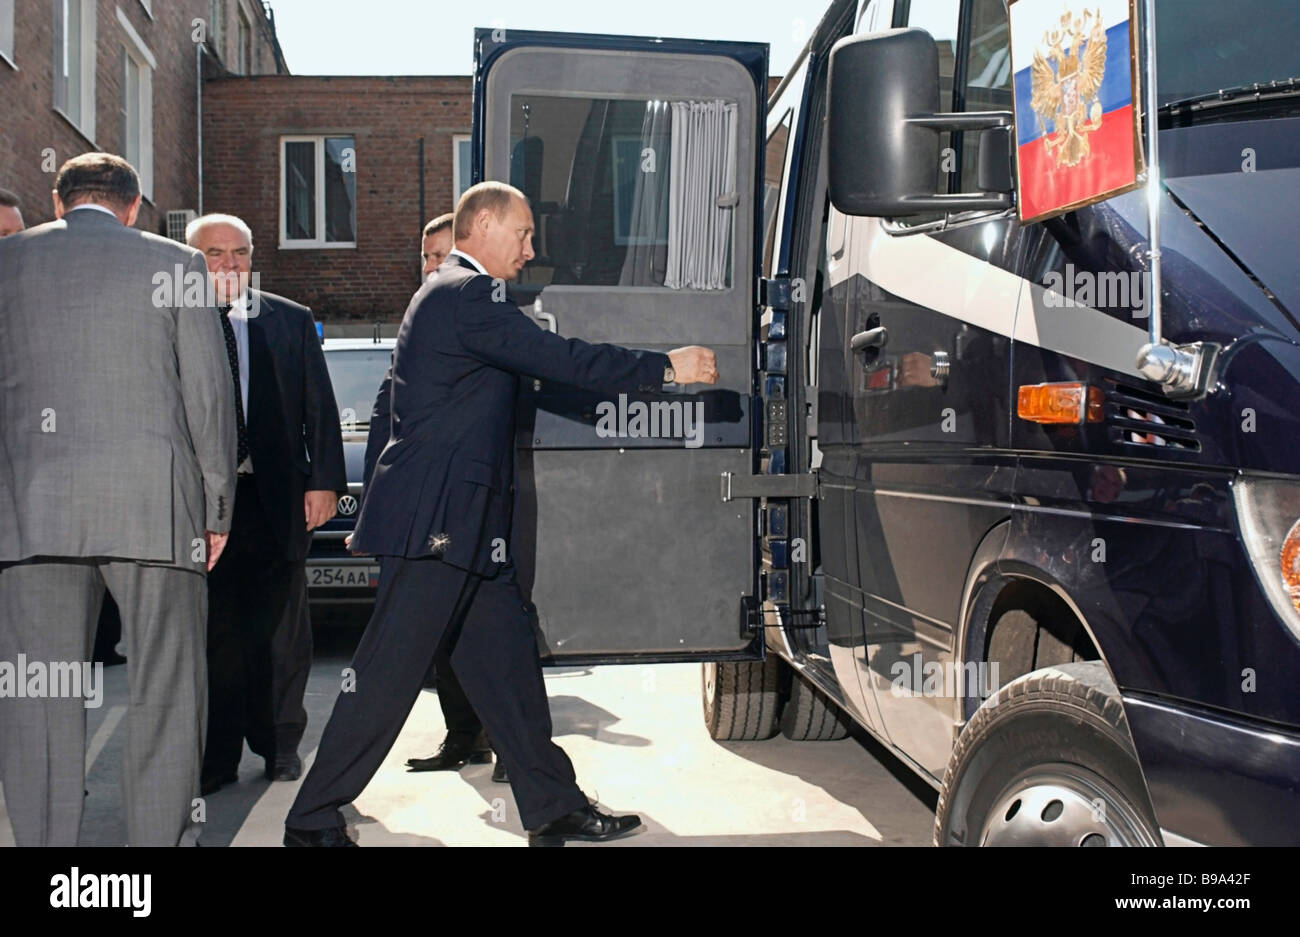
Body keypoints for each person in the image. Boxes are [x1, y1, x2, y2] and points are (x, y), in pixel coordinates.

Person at [285, 181, 717, 847]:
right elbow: (558, 358)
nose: (531, 247)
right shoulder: (466, 293)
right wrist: (666, 366)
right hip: (439, 523)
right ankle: (313, 817)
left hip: (465, 526)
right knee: (385, 675)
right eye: (523, 232)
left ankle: (552, 805)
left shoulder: (453, 296)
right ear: (481, 225)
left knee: (507, 669)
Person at [0, 153, 235, 846]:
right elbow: (209, 395)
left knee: (38, 698)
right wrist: (216, 506)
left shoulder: (7, 263)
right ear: (134, 207)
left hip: (29, 511)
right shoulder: (176, 264)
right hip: (154, 512)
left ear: (56, 201)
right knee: (166, 689)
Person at [186, 213, 346, 795]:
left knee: (283, 635)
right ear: (191, 260)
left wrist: (325, 481)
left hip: (276, 500)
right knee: (216, 635)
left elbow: (319, 407)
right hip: (204, 508)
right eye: (214, 254)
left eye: (239, 253)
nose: (229, 264)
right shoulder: (173, 317)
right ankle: (217, 757)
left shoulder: (290, 319)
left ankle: (280, 746)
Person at [365, 212, 504, 782]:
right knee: (446, 639)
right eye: (424, 256)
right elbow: (385, 408)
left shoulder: (472, 311)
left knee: (488, 631)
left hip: (461, 505)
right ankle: (465, 736)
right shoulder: (419, 318)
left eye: (438, 256)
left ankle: (506, 744)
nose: (428, 266)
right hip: (410, 501)